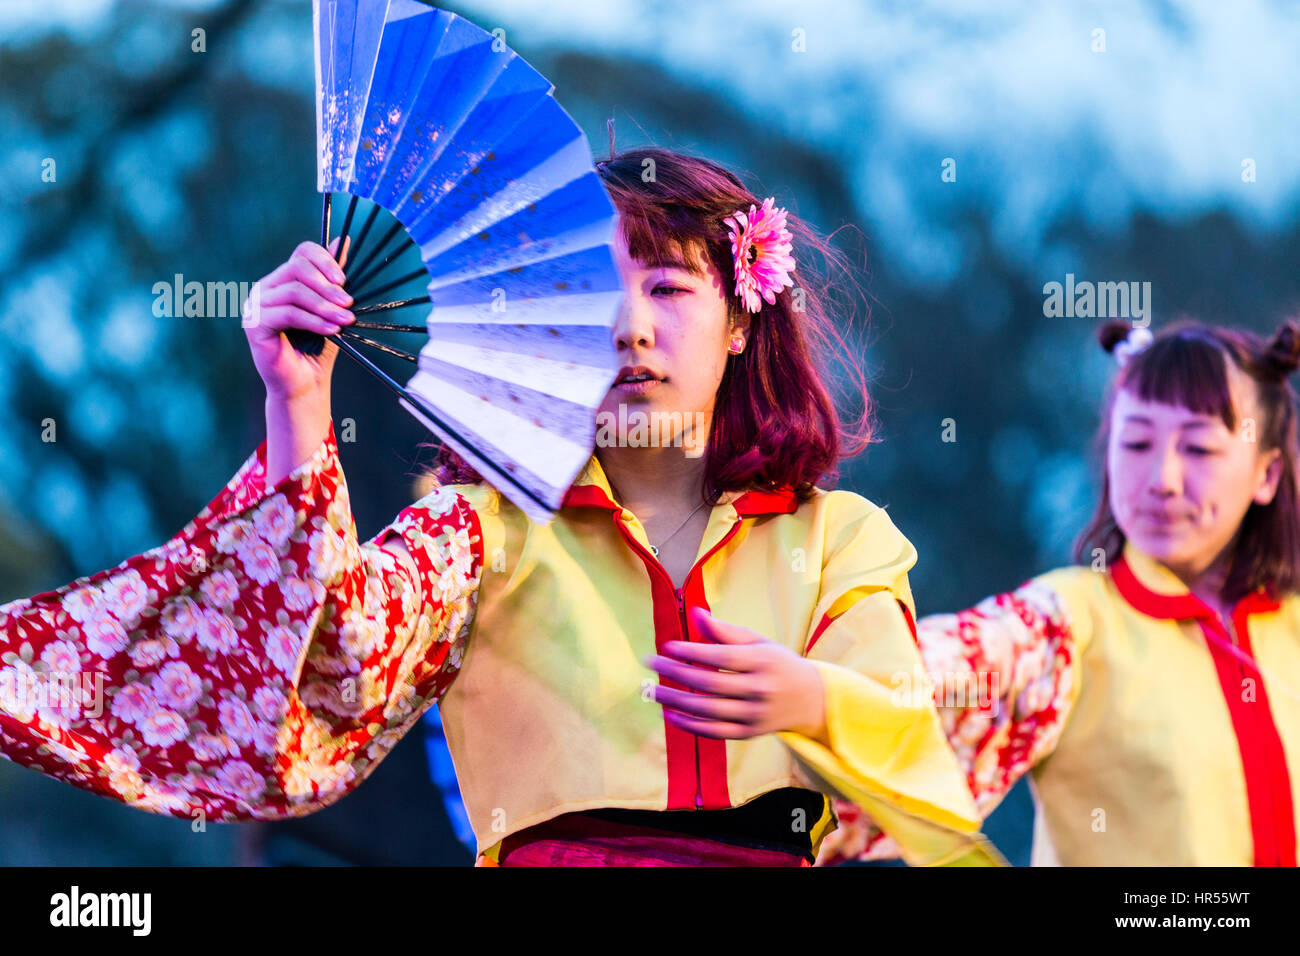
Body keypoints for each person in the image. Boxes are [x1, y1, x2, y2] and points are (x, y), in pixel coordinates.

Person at [0, 146, 1000, 867]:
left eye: (667, 287)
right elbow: (333, 656)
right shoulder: (483, 528)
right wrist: (298, 401)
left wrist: (810, 698)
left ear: (742, 318)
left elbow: (909, 733)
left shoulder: (838, 539)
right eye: (594, 292)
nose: (628, 327)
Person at [812, 317, 1300, 866]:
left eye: (1199, 449)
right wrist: (821, 686)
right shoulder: (1069, 622)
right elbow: (952, 662)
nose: (1162, 477)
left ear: (1267, 474)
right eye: (1137, 442)